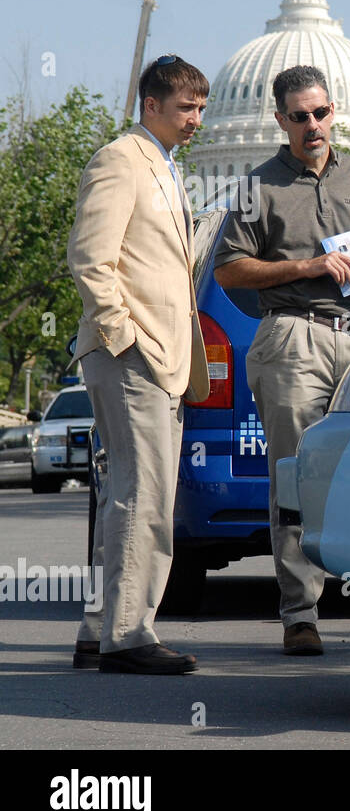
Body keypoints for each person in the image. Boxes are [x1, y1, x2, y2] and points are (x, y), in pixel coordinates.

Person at [213, 65, 350, 656]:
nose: (314, 125)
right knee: (297, 476)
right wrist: (306, 266)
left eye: (322, 113)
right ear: (280, 120)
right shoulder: (256, 187)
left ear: (333, 112)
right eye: (300, 116)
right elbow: (229, 269)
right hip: (292, 337)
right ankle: (300, 615)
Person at [67, 55, 211, 674]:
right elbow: (90, 258)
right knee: (144, 494)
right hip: (134, 355)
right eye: (186, 107)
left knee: (130, 491)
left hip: (154, 356)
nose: (197, 119)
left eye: (202, 107)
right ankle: (128, 635)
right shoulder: (121, 159)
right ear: (151, 105)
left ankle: (101, 629)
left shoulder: (163, 165)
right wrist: (126, 338)